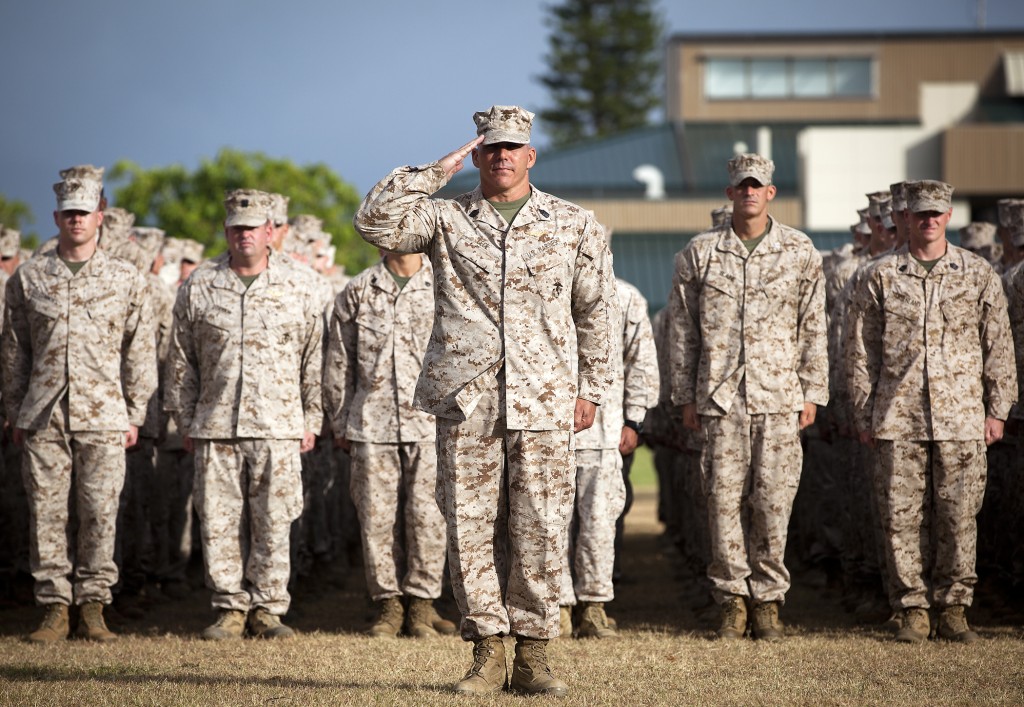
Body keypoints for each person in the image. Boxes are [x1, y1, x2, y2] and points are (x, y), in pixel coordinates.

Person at [354, 105, 616, 697]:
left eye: (512, 147)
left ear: (530, 155)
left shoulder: (574, 224)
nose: (501, 156)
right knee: (470, 528)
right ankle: (486, 652)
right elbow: (374, 222)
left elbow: (594, 312)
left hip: (544, 397)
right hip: (467, 400)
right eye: (489, 147)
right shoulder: (445, 219)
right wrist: (434, 171)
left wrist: (591, 389)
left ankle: (534, 653)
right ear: (476, 155)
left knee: (542, 528)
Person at [846, 180, 1017, 643]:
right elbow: (860, 351)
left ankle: (955, 607)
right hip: (897, 416)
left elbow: (998, 345)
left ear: (948, 217)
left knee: (959, 516)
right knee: (901, 518)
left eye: (936, 214)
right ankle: (912, 609)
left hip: (961, 417)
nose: (928, 221)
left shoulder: (977, 273)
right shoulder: (879, 276)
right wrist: (863, 414)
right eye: (920, 213)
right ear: (908, 217)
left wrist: (998, 408)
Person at [667, 153, 828, 641]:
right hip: (719, 398)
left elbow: (813, 325)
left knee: (774, 501)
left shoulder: (800, 251)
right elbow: (682, 330)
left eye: (758, 186)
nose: (750, 193)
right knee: (722, 501)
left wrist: (813, 390)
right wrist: (685, 395)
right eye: (742, 186)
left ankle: (769, 602)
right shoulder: (700, 252)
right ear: (730, 193)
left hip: (779, 396)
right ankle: (732, 601)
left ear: (771, 193)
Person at [1, 171, 156, 642]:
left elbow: (139, 349)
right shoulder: (29, 277)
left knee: (99, 511)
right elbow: (14, 350)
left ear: (99, 218)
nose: (75, 221)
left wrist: (135, 413)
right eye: (68, 213)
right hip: (44, 415)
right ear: (56, 218)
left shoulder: (125, 278)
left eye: (83, 213)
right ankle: (52, 607)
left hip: (104, 414)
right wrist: (13, 410)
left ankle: (92, 606)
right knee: (46, 514)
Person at [164, 189, 324, 640]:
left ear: (270, 232)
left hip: (278, 424)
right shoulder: (200, 284)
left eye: (252, 228)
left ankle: (269, 609)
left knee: (275, 519)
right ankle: (229, 607)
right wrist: (185, 420)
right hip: (215, 424)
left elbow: (314, 359)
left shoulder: (302, 284)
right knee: (218, 519)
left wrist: (311, 419)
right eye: (236, 228)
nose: (244, 235)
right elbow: (181, 360)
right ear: (226, 231)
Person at [324, 249, 454, 638]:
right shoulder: (357, 291)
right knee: (376, 520)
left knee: (428, 517)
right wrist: (340, 421)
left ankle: (422, 604)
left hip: (430, 423)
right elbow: (337, 362)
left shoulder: (446, 285)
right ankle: (388, 605)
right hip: (371, 424)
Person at [560, 274, 658, 638]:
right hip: (547, 433)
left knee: (600, 524)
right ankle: (558, 607)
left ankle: (594, 606)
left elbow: (640, 362)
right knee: (549, 525)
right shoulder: (539, 285)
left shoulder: (625, 296)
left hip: (604, 433)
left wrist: (634, 419)